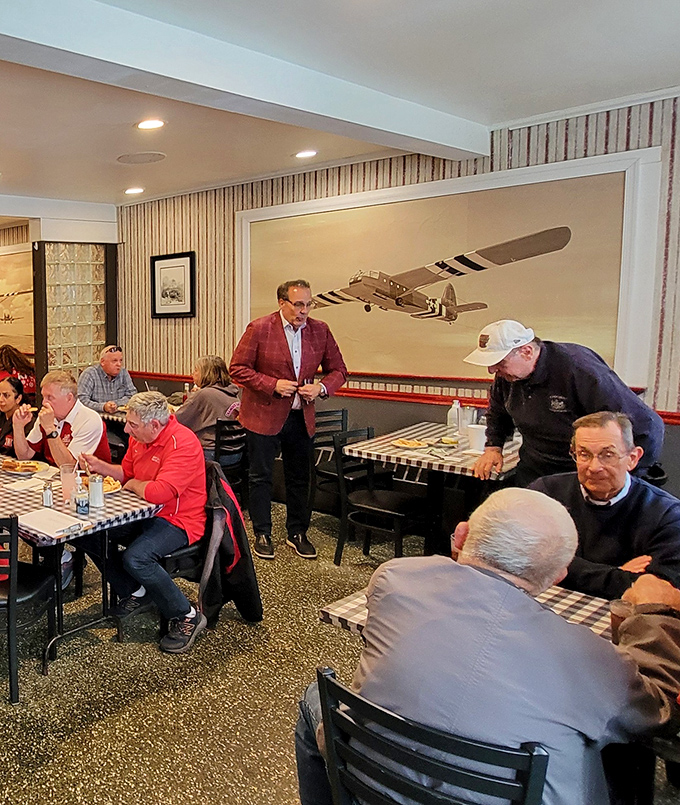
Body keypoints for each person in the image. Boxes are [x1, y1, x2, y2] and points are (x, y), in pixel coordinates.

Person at [295, 488, 680, 805]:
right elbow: (656, 714)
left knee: (316, 697)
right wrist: (651, 614)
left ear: (461, 537)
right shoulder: (590, 657)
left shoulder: (395, 577)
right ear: (557, 576)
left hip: (373, 783)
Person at [79, 392, 208, 654]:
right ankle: (136, 591)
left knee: (136, 558)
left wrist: (133, 484)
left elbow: (161, 492)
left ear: (155, 425)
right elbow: (126, 473)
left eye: (132, 425)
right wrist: (101, 466)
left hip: (180, 519)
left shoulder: (182, 443)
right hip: (143, 513)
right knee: (87, 533)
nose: (126, 429)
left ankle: (187, 615)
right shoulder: (140, 438)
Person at [463, 319, 664, 486]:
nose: (492, 370)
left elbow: (646, 425)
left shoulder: (578, 368)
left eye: (499, 363)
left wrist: (627, 474)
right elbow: (498, 413)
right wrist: (493, 447)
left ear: (526, 352)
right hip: (535, 469)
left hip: (578, 471)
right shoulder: (507, 376)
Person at [229, 279, 347, 560]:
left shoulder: (320, 330)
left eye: (308, 304)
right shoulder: (259, 328)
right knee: (261, 477)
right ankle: (262, 533)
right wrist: (272, 384)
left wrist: (321, 388)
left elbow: (339, 370)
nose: (303, 311)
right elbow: (237, 369)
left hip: (300, 416)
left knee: (300, 478)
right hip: (263, 415)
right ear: (282, 303)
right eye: (298, 304)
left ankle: (297, 532)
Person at [529, 411, 680, 599]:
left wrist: (565, 567)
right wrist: (616, 574)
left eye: (607, 455)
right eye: (584, 454)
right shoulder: (546, 493)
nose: (594, 467)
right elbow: (529, 557)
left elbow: (659, 589)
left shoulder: (668, 514)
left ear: (633, 458)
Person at [13, 370, 111, 466]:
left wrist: (50, 429)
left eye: (50, 397)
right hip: (54, 477)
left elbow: (68, 466)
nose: (44, 403)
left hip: (89, 480)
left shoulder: (89, 420)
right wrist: (18, 426)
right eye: (43, 397)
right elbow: (24, 456)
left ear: (69, 397)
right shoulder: (49, 417)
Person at [174, 355, 240, 464]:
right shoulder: (232, 392)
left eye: (196, 370)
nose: (193, 374)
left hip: (211, 454)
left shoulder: (204, 394)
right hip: (235, 453)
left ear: (206, 373)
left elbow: (178, 420)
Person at [77, 345, 137, 414]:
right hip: (97, 418)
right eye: (114, 361)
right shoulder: (90, 374)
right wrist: (103, 407)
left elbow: (133, 396)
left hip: (119, 418)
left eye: (120, 360)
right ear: (102, 362)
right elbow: (81, 401)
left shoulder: (123, 373)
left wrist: (115, 404)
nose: (119, 364)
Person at [0, 375, 32, 456]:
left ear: (18, 398)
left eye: (6, 395)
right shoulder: (2, 417)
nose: (1, 399)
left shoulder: (27, 419)